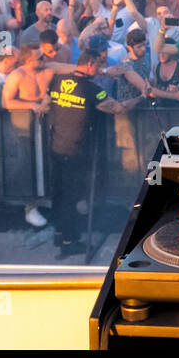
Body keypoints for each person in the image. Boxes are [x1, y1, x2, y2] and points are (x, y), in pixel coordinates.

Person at [45, 50, 118, 257]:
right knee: (70, 196)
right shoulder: (92, 88)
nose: (98, 70)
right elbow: (116, 108)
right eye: (97, 66)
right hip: (75, 150)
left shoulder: (57, 81)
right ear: (89, 65)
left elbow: (49, 86)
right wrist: (140, 97)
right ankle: (68, 242)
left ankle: (59, 233)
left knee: (58, 194)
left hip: (56, 146)